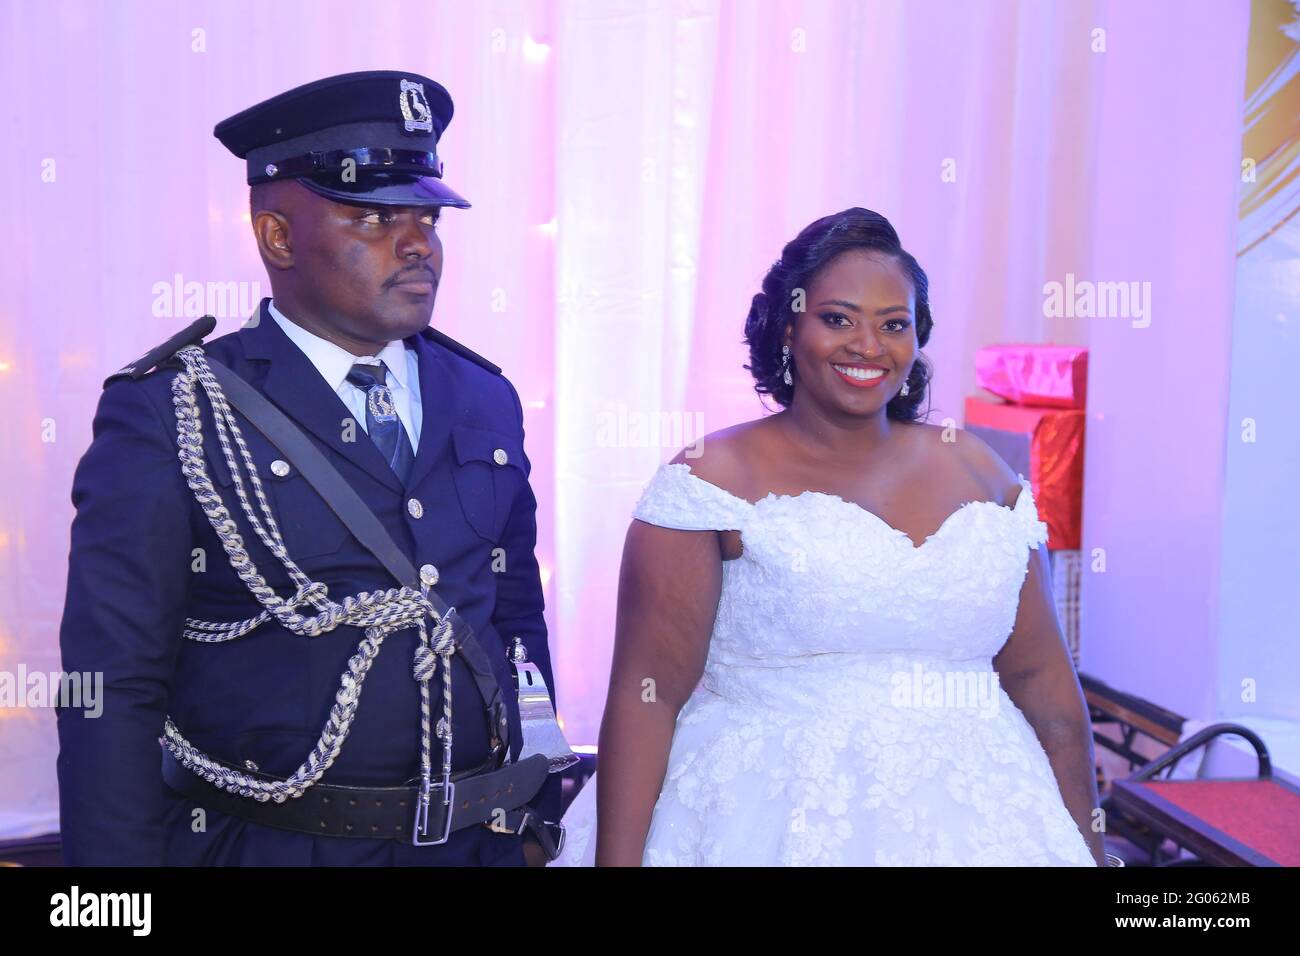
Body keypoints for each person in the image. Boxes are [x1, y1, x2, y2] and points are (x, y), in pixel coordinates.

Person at [55, 71, 565, 866]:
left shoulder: (483, 396)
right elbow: (111, 692)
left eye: (426, 217)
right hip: (277, 847)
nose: (418, 243)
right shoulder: (174, 412)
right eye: (374, 218)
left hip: (475, 845)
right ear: (278, 238)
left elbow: (513, 620)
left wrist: (535, 815)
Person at [556, 208, 1104, 866]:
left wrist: (1092, 853)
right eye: (838, 319)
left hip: (992, 828)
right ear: (788, 328)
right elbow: (647, 697)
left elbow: (1047, 690)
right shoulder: (710, 480)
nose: (868, 346)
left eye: (893, 324)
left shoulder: (981, 469)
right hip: (766, 825)